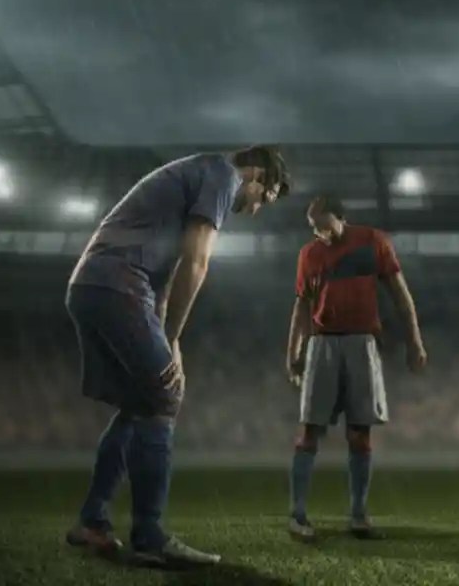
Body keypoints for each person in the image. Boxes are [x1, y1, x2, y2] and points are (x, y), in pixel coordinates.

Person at [63, 145, 289, 565]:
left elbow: (165, 280)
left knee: (138, 405)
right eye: (265, 198)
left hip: (90, 286)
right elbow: (196, 260)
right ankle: (149, 535)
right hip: (120, 283)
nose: (255, 209)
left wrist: (172, 341)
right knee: (165, 397)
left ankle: (92, 522)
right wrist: (171, 339)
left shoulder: (194, 171)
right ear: (256, 174)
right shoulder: (224, 175)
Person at [285, 195, 427, 541]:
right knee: (309, 430)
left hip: (362, 343)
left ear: (341, 217)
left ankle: (359, 515)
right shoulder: (309, 255)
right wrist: (294, 350)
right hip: (322, 342)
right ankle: (298, 514)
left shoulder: (373, 242)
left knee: (359, 432)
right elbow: (302, 307)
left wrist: (415, 342)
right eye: (313, 228)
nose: (320, 233)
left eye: (324, 225)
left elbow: (400, 294)